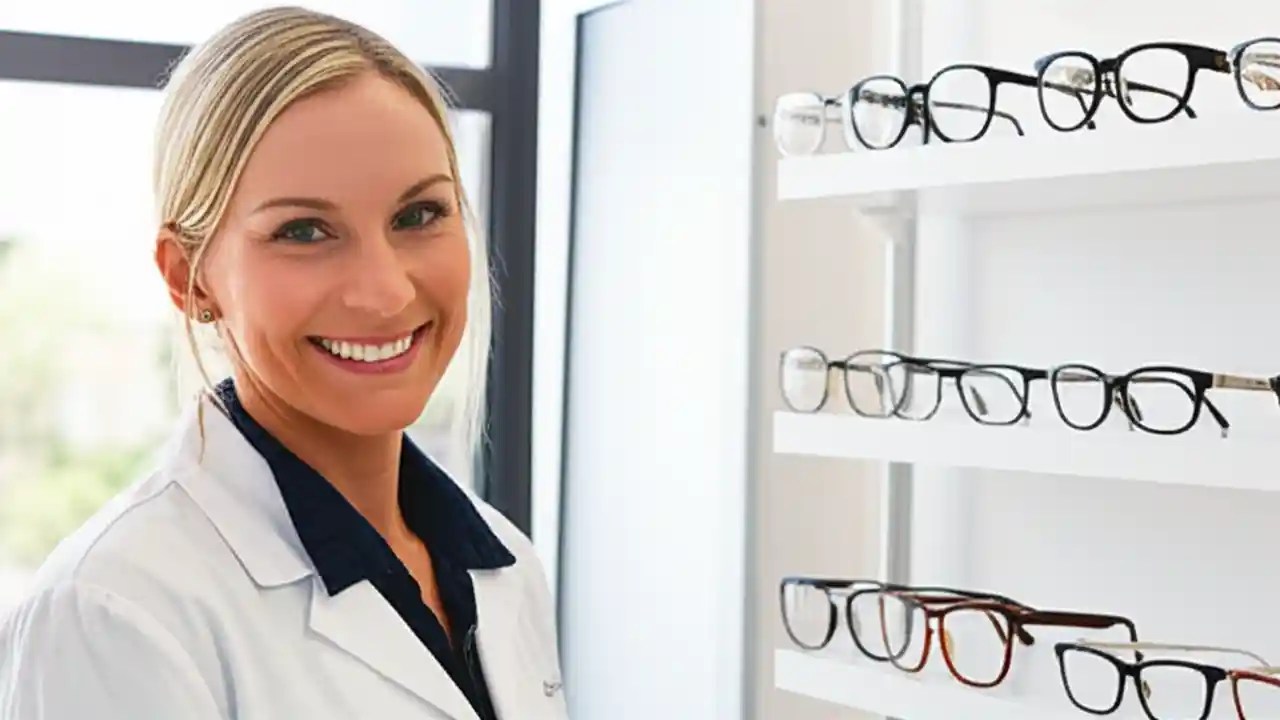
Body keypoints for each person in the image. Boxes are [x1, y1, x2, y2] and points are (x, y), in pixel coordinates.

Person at [0, 7, 566, 719]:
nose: (386, 291)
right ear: (190, 279)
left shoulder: (506, 570)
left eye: (418, 215)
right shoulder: (113, 612)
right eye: (304, 231)